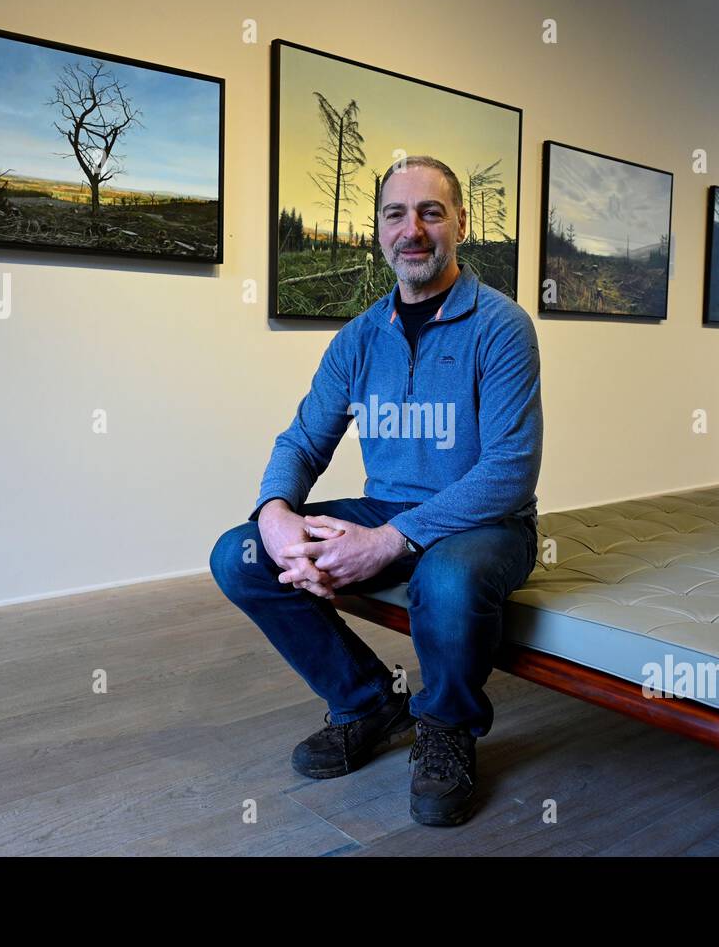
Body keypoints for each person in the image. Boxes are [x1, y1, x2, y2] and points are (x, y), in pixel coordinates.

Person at [209, 154, 543, 826]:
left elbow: (511, 466)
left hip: (486, 524)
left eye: (430, 211)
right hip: (384, 507)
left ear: (460, 223)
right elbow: (302, 441)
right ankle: (367, 702)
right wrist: (275, 512)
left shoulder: (501, 327)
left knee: (445, 581)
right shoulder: (360, 337)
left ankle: (446, 725)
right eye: (396, 214)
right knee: (238, 555)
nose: (412, 229)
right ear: (378, 231)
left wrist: (388, 541)